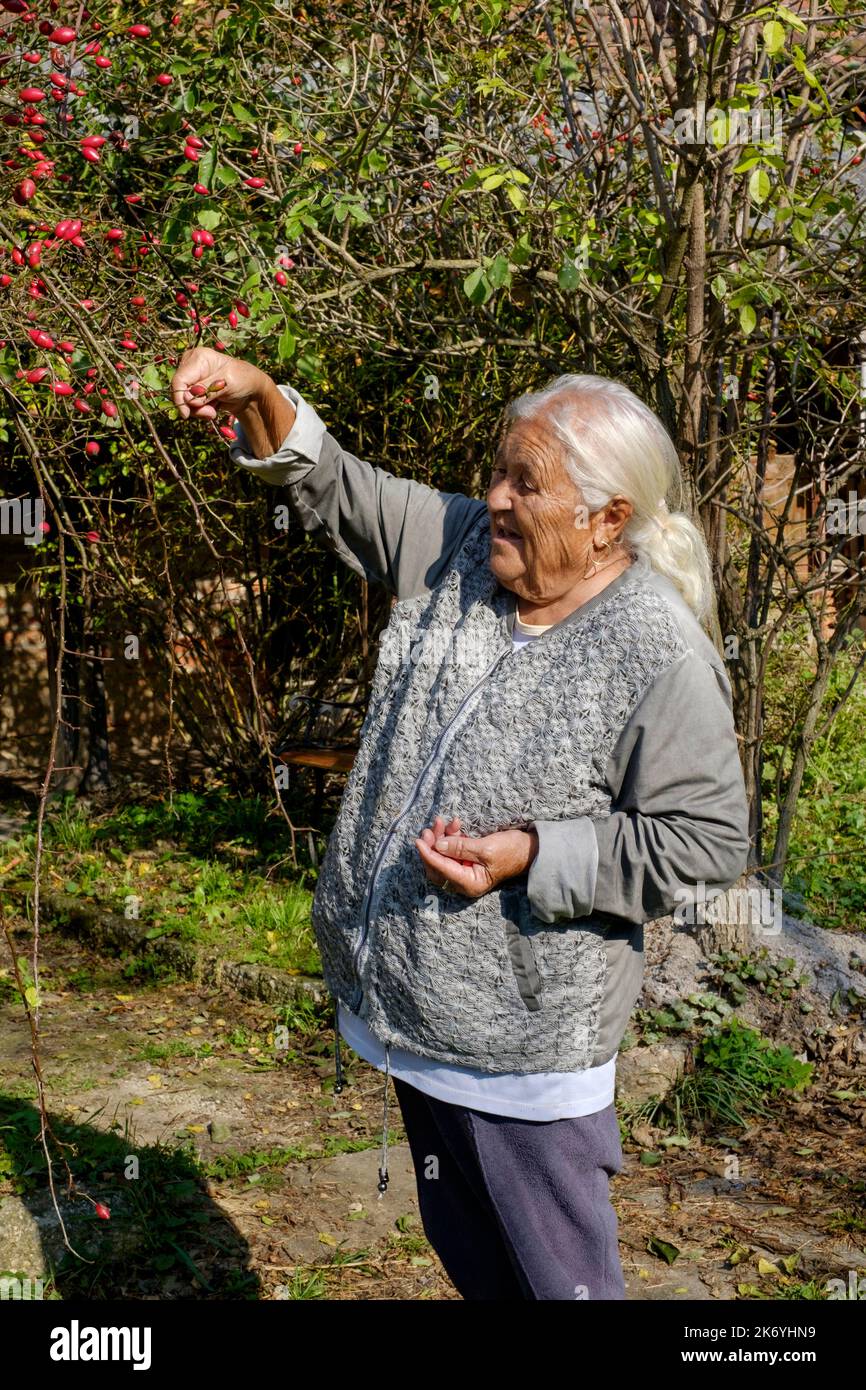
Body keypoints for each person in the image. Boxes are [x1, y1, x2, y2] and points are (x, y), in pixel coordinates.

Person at [171, 349, 751, 1301]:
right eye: (497, 472)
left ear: (608, 521)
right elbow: (340, 488)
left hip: (522, 1053)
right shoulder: (465, 554)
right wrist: (261, 392)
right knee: (478, 1266)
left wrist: (534, 853)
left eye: (527, 482)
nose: (496, 499)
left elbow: (707, 841)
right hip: (412, 1012)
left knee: (560, 1284)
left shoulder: (656, 650)